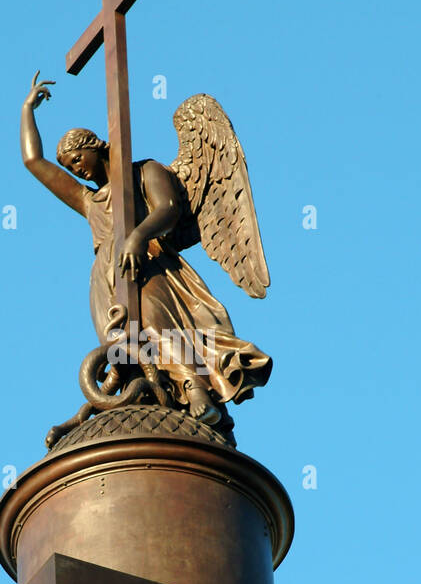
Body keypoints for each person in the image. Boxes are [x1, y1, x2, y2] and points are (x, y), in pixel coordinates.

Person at [20, 72, 271, 426]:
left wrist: (138, 236)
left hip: (149, 262)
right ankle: (134, 388)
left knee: (153, 324)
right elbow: (35, 163)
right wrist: (27, 111)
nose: (75, 169)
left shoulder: (146, 171)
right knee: (120, 341)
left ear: (94, 146)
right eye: (69, 166)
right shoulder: (89, 201)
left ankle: (194, 386)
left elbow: (168, 209)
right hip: (106, 276)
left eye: (77, 159)